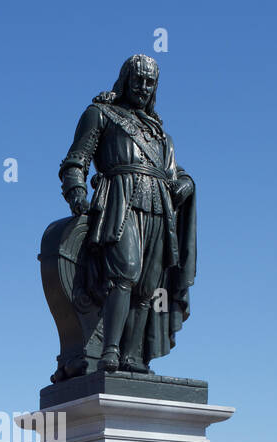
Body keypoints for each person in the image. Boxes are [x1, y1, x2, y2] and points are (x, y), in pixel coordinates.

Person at [59, 54, 197, 373]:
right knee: (125, 272)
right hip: (119, 201)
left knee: (148, 286)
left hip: (158, 208)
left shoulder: (160, 133)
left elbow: (173, 173)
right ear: (125, 79)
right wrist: (77, 194)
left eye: (150, 82)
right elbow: (75, 160)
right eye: (138, 79)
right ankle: (109, 350)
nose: (143, 87)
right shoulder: (100, 114)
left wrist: (187, 183)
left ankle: (133, 356)